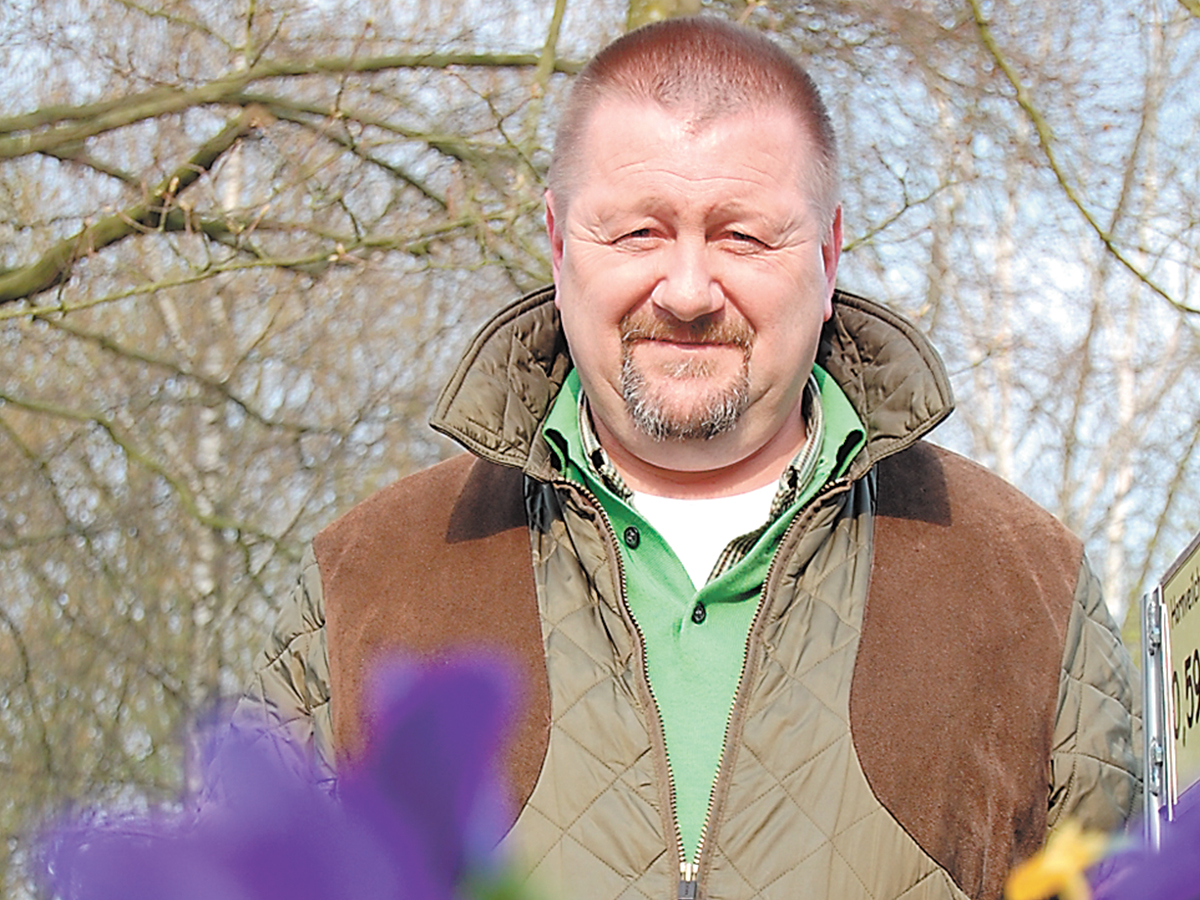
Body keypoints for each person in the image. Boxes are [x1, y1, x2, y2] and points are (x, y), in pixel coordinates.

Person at [239, 16, 1140, 900]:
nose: (687, 290)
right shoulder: (362, 587)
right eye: (638, 232)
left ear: (827, 256)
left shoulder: (1024, 585)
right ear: (558, 246)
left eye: (742, 235)